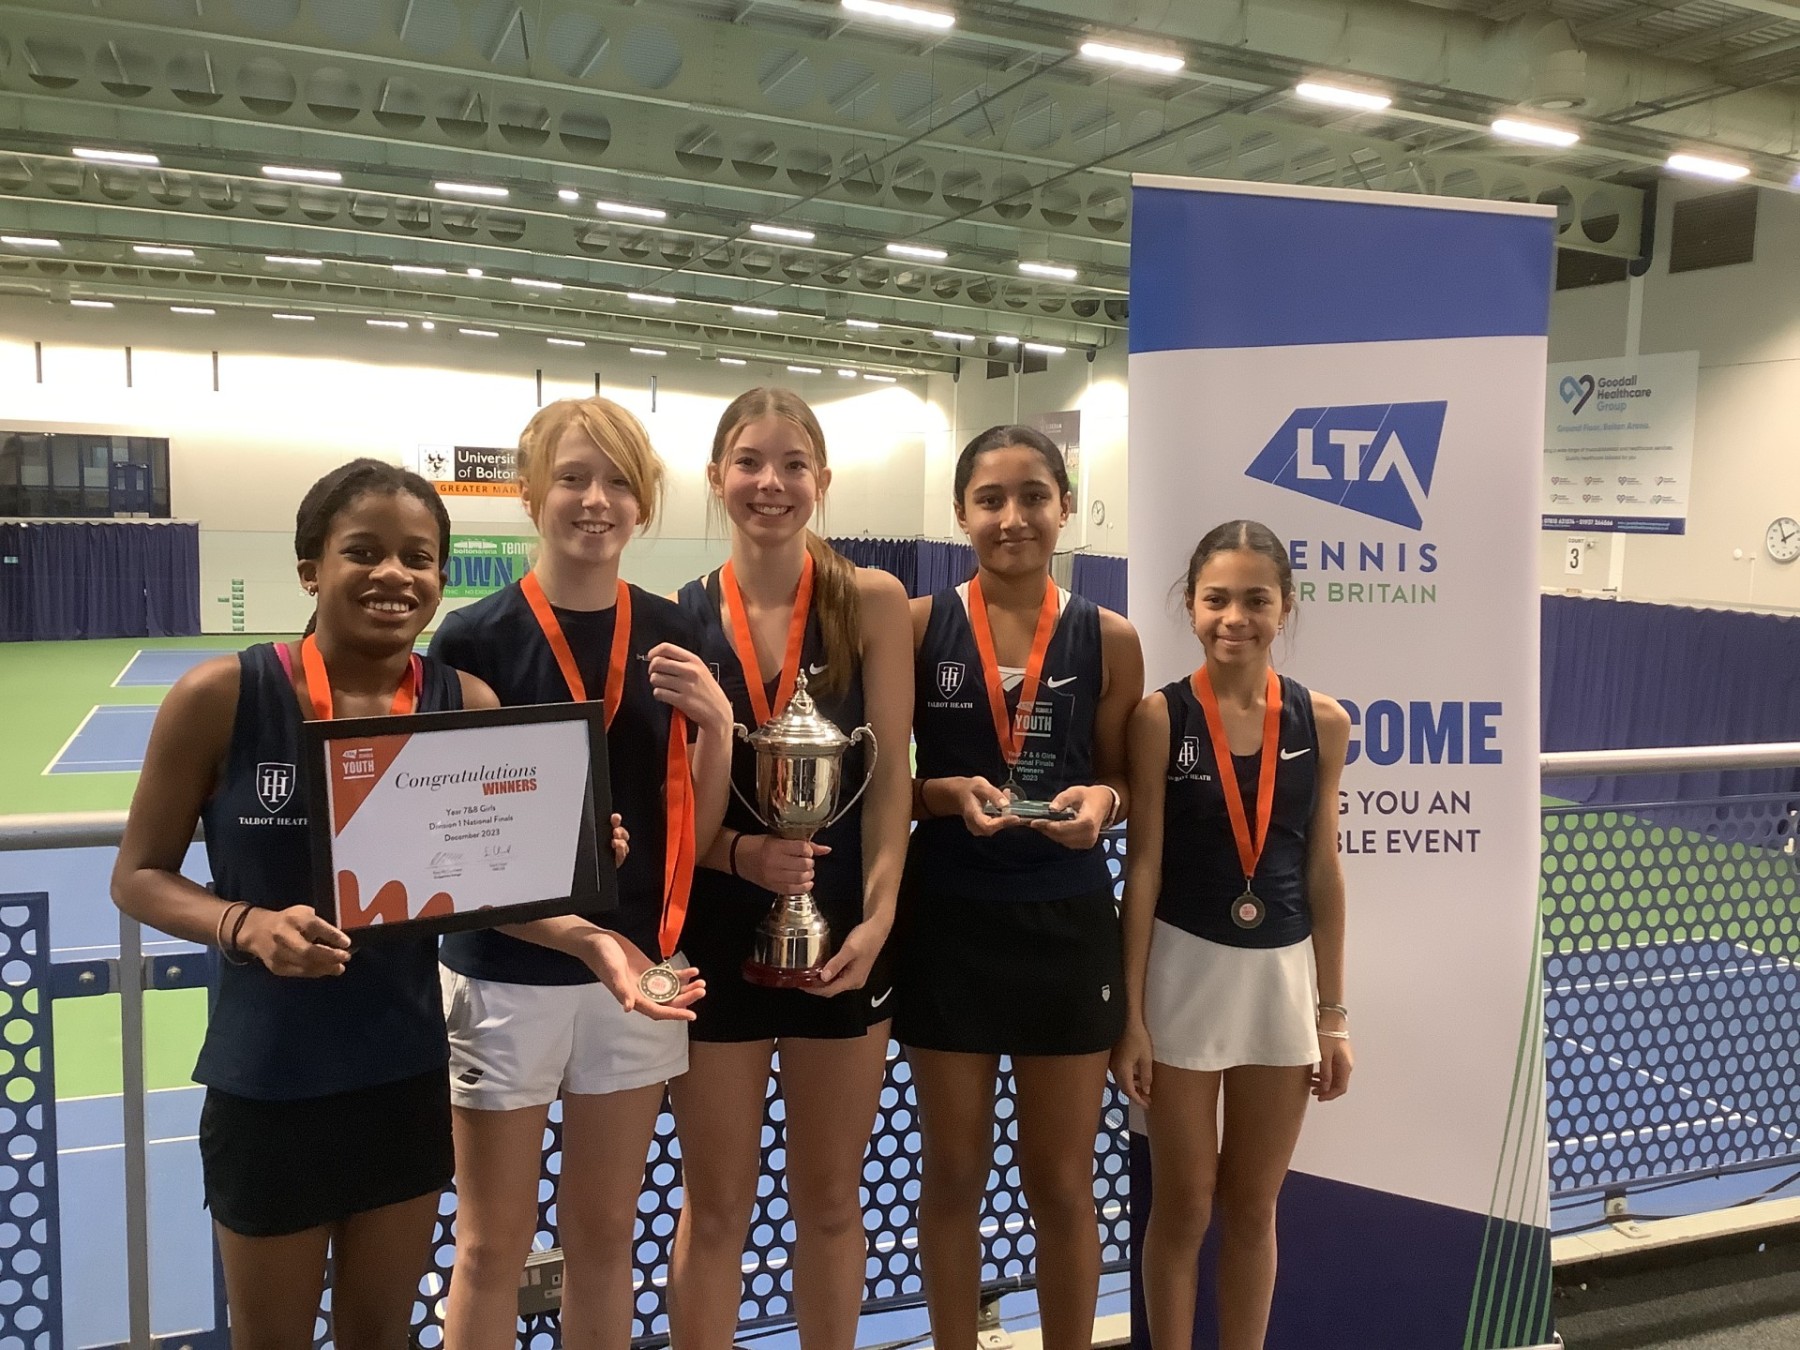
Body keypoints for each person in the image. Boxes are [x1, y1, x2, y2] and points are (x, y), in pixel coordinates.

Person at [111, 459, 501, 1350]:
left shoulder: (463, 704)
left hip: (403, 1076)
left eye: (420, 557)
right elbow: (138, 874)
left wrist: (562, 858)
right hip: (271, 1086)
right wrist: (242, 924)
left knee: (381, 1337)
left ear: (442, 578)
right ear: (309, 568)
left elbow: (483, 876)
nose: (395, 575)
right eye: (362, 550)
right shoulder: (224, 697)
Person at [428, 397, 735, 1350]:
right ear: (530, 494)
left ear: (641, 504)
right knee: (492, 1245)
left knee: (605, 1234)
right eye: (571, 477)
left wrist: (720, 724)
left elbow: (698, 826)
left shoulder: (678, 629)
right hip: (506, 971)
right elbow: (454, 836)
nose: (594, 500)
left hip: (639, 971)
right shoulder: (473, 640)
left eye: (616, 482)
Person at [669, 387, 913, 1350]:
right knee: (715, 1208)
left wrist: (878, 922)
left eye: (792, 465)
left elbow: (890, 777)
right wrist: (738, 854)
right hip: (719, 939)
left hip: (846, 934)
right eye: (749, 462)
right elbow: (677, 812)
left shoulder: (874, 602)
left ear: (821, 481)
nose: (770, 484)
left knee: (829, 1204)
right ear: (718, 477)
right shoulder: (683, 616)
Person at [898, 424, 1144, 1350]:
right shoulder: (920, 627)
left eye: (1034, 496)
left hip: (1067, 927)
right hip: (950, 926)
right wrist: (939, 793)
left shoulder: (1109, 638)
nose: (1013, 517)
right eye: (991, 500)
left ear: (1065, 507)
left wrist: (1101, 802)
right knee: (952, 1173)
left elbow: (1120, 779)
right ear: (961, 513)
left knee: (1060, 1182)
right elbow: (893, 786)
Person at [1112, 520, 1354, 1350]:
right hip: (1183, 980)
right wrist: (1132, 1017)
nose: (1235, 618)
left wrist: (1334, 1014)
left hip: (1281, 989)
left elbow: (1321, 870)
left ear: (1285, 605)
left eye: (1256, 599)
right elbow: (1142, 870)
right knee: (1182, 1206)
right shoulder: (1158, 716)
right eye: (1217, 599)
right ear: (1190, 605)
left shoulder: (1323, 721)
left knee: (1253, 1207)